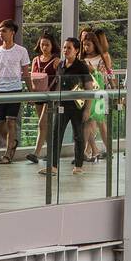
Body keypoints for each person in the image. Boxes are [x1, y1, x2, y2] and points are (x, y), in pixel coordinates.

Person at [41, 36, 93, 176]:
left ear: (76, 50)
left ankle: (78, 165)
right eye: (64, 47)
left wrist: (87, 109)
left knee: (78, 135)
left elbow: (89, 87)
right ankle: (53, 166)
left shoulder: (81, 66)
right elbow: (58, 84)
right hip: (62, 105)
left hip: (77, 106)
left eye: (69, 48)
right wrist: (55, 100)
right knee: (56, 134)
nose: (66, 50)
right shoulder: (61, 65)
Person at [0, 19, 30, 164]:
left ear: (12, 32)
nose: (1, 34)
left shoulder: (21, 51)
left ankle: (7, 154)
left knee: (11, 122)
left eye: (4, 31)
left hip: (15, 90)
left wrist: (31, 92)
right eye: (0, 31)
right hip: (0, 91)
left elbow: (26, 73)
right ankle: (11, 143)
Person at [25, 31, 61, 165]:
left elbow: (59, 78)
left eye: (47, 45)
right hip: (38, 93)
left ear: (52, 46)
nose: (44, 47)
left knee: (42, 123)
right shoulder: (35, 60)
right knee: (46, 126)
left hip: (50, 95)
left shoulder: (56, 60)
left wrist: (57, 95)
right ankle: (52, 151)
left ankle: (36, 153)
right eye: (42, 45)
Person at [79, 30, 114, 161]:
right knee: (88, 121)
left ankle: (105, 149)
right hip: (86, 94)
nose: (86, 48)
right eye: (84, 45)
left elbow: (105, 76)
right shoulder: (81, 59)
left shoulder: (102, 58)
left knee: (98, 121)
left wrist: (93, 71)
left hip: (99, 94)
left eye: (89, 45)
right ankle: (89, 150)